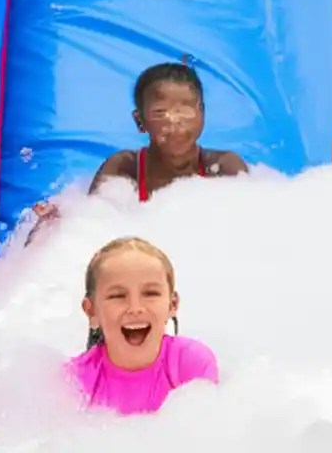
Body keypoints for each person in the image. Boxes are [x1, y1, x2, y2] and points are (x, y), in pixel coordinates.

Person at [27, 62, 247, 241]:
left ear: (203, 113)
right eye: (161, 113)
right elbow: (91, 232)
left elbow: (248, 234)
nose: (176, 122)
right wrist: (57, 227)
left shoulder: (223, 168)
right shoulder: (125, 168)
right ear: (140, 121)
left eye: (186, 110)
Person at [67, 236, 219, 415]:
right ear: (92, 311)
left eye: (150, 293)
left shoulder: (190, 363)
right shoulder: (75, 383)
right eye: (117, 296)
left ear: (172, 305)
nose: (135, 308)